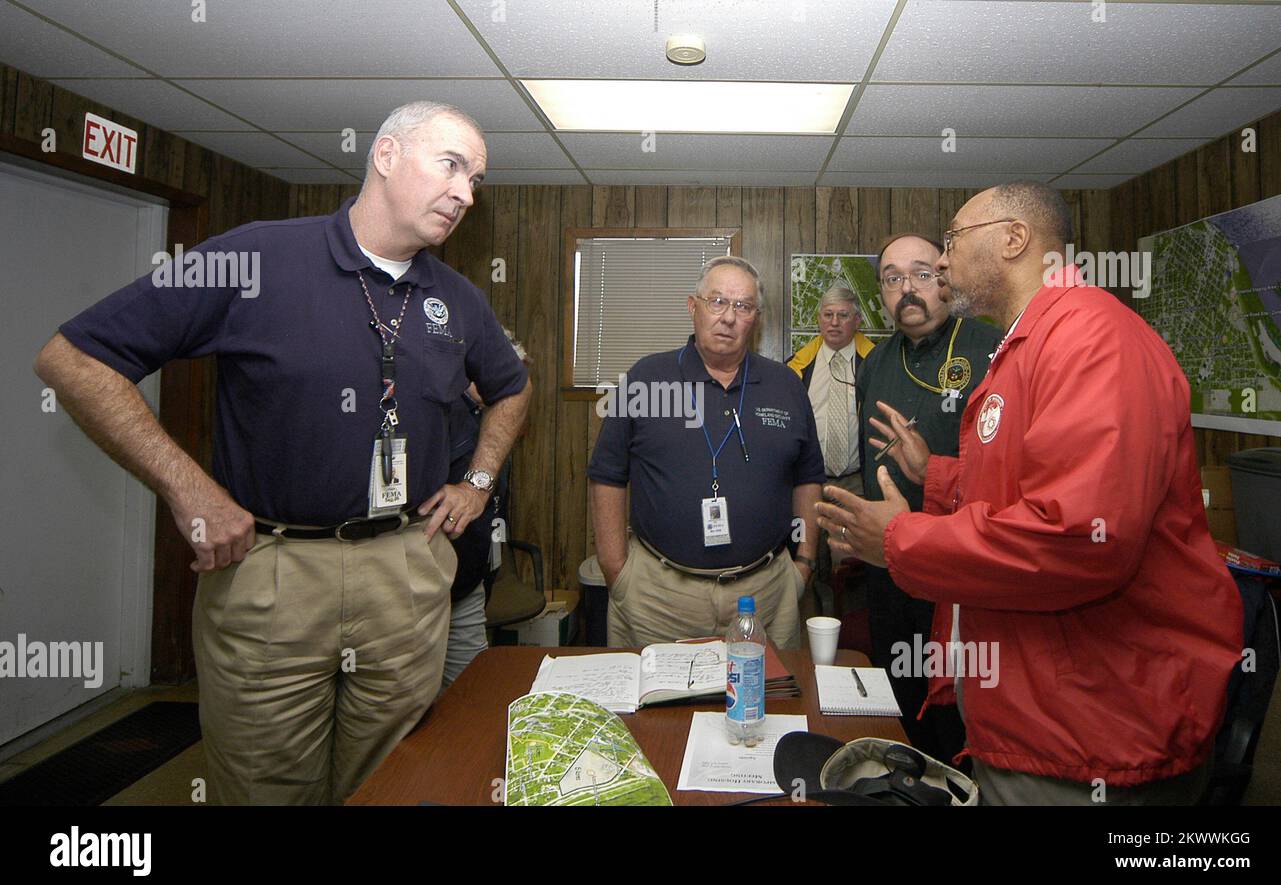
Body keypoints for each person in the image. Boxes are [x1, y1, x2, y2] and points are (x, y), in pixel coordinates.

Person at [32, 101, 532, 805]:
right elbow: (74, 359)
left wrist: (477, 482)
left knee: (393, 779)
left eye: (476, 179)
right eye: (451, 166)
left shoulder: (456, 298)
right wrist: (191, 490)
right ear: (385, 155)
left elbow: (512, 388)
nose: (465, 193)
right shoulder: (257, 257)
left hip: (406, 570)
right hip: (274, 576)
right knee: (266, 785)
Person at [816, 181, 1241, 805]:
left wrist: (900, 539)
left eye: (954, 239)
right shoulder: (1028, 341)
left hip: (1091, 738)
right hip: (1037, 718)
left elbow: (1077, 538)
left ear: (1015, 239)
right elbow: (1019, 490)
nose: (942, 258)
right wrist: (936, 472)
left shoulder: (1092, 340)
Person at [588, 256, 822, 650]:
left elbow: (808, 479)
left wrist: (804, 564)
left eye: (743, 306)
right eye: (717, 302)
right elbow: (607, 475)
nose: (728, 317)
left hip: (765, 594)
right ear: (692, 306)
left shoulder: (786, 385)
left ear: (756, 318)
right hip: (658, 597)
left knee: (768, 705)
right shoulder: (646, 380)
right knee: (656, 711)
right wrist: (616, 569)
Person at [850, 233, 1000, 762]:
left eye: (920, 274)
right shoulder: (873, 361)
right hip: (888, 567)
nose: (907, 289)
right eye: (892, 279)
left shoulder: (994, 347)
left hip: (965, 572)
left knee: (956, 714)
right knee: (898, 698)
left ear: (945, 276)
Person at [441, 331, 530, 693]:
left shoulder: (494, 424)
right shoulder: (443, 415)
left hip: (468, 587)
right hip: (425, 588)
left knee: (471, 695)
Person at [784, 284, 874, 615]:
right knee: (802, 562)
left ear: (857, 321)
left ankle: (850, 644)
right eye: (828, 315)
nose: (834, 322)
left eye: (843, 315)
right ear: (819, 320)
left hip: (854, 483)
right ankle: (805, 642)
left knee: (850, 568)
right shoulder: (795, 367)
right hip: (808, 483)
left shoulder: (874, 362)